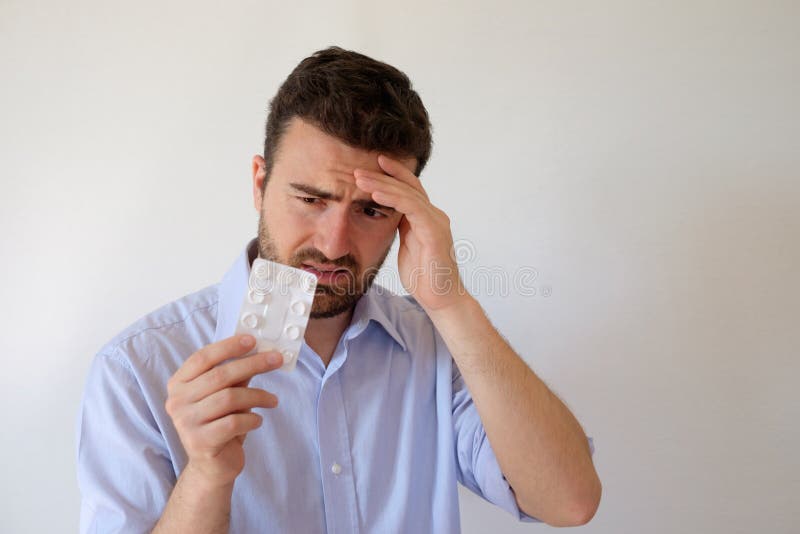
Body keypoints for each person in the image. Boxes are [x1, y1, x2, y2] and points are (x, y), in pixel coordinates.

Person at [76, 46, 601, 533]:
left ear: (405, 219)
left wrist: (450, 301)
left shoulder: (437, 345)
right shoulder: (137, 369)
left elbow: (569, 502)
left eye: (371, 211)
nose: (333, 244)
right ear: (259, 184)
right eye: (310, 199)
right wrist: (207, 475)